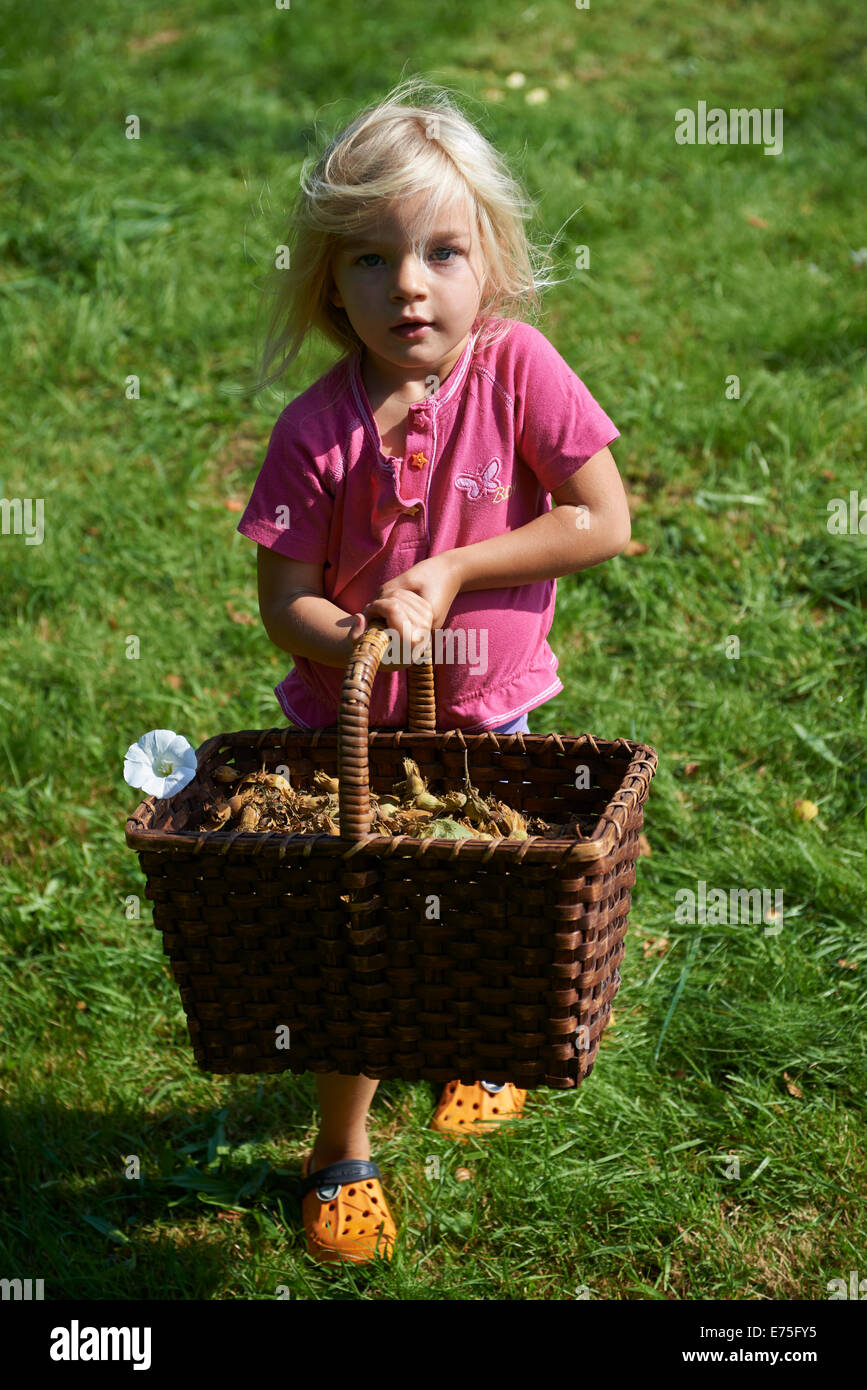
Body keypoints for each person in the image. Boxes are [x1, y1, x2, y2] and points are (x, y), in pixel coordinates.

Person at [235, 77, 631, 1265]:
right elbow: (281, 602)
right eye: (369, 258)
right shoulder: (317, 429)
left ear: (491, 264)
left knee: (489, 903)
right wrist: (356, 642)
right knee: (354, 933)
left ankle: (479, 1045)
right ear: (328, 282)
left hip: (492, 721)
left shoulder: (518, 370)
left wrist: (456, 567)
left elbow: (601, 518)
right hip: (351, 739)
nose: (408, 283)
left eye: (442, 250)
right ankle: (340, 1147)